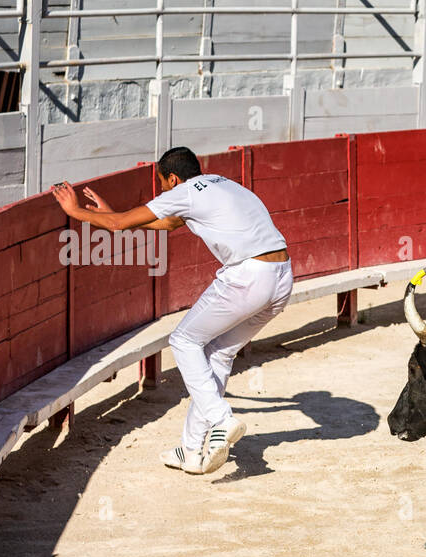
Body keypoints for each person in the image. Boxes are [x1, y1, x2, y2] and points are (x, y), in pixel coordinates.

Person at [51, 146, 293, 476]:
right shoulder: (221, 182)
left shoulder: (183, 192)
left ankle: (222, 419)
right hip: (282, 278)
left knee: (183, 340)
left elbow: (120, 225)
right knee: (218, 354)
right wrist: (114, 214)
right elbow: (168, 224)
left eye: (163, 183)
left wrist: (77, 212)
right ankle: (191, 450)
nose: (163, 191)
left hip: (248, 278)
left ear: (174, 178)